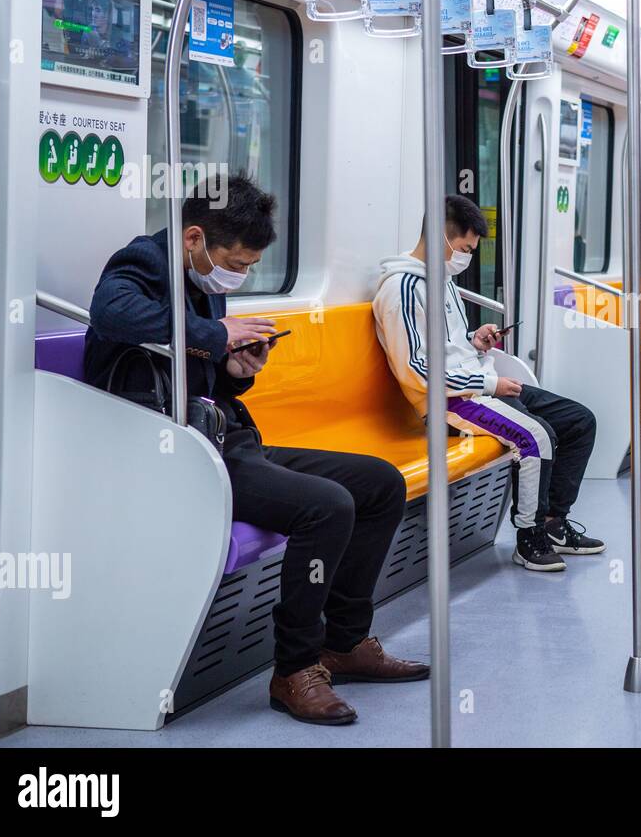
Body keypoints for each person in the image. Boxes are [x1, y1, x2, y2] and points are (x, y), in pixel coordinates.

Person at [85, 172, 427, 727]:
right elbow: (112, 314)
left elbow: (202, 370)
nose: (240, 277)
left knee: (380, 483)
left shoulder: (202, 283)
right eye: (237, 264)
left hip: (227, 439)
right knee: (328, 505)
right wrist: (219, 337)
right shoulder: (145, 263)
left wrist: (236, 368)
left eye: (248, 267)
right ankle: (294, 668)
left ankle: (344, 643)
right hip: (178, 456)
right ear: (193, 238)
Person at [373, 194, 603, 574]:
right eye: (464, 248)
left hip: (476, 383)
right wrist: (490, 382)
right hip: (450, 400)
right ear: (441, 237)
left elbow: (447, 346)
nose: (465, 257)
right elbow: (418, 369)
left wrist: (473, 341)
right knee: (537, 437)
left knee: (579, 420)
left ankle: (553, 523)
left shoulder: (441, 280)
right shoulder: (402, 288)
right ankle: (528, 539)